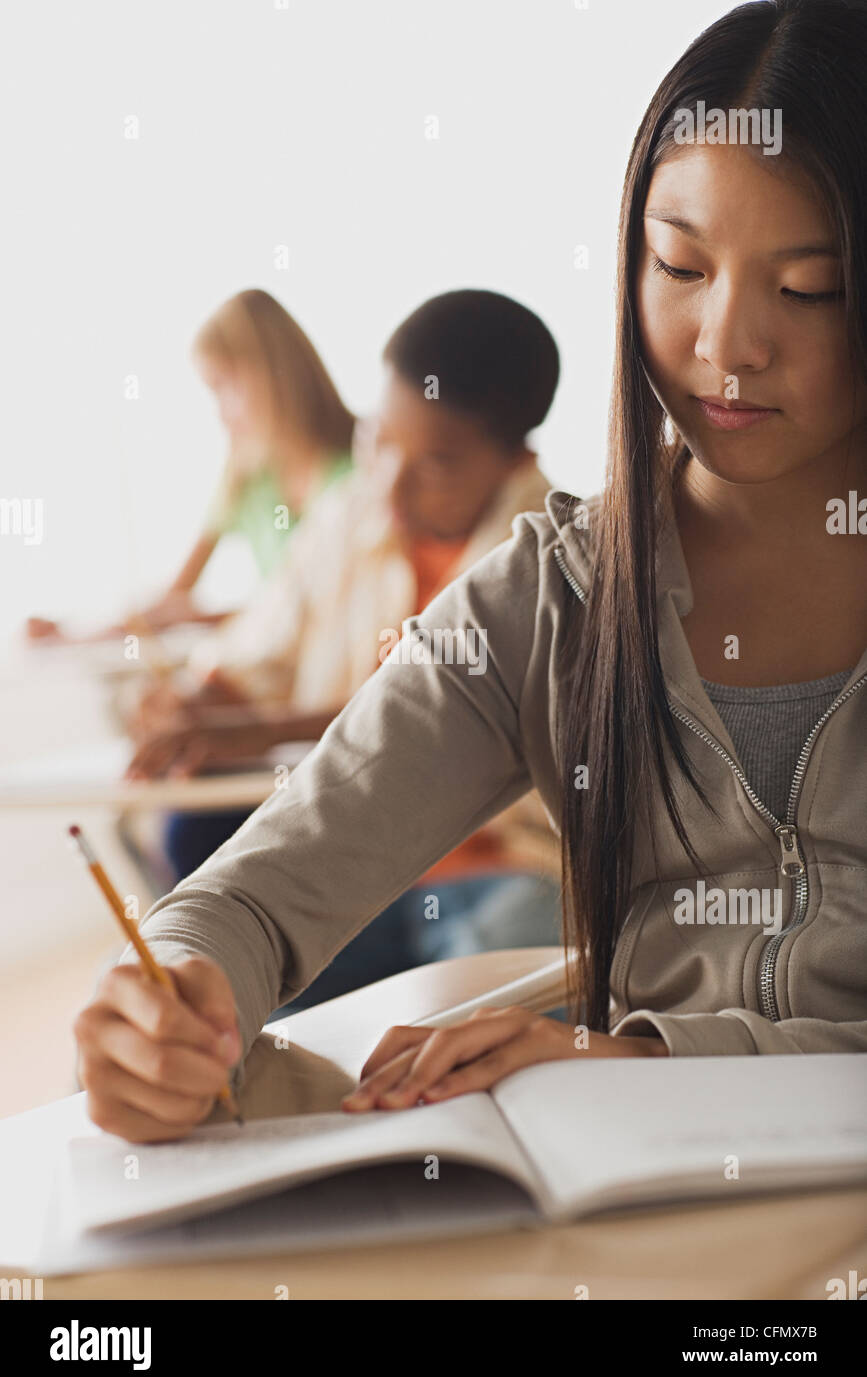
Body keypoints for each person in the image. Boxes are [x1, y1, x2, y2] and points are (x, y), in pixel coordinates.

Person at [75, 0, 867, 1145]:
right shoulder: (554, 593)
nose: (725, 342)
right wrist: (177, 991)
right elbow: (266, 882)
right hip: (655, 1234)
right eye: (679, 263)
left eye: (808, 287)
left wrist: (642, 1058)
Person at [125, 289, 565, 1003]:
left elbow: (432, 715)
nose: (391, 482)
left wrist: (258, 726)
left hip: (496, 872)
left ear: (515, 458)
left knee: (487, 991)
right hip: (353, 871)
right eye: (382, 439)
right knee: (208, 964)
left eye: (439, 460)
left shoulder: (551, 566)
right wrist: (197, 699)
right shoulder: (351, 512)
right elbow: (257, 652)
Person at [26, 288, 354, 640]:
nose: (221, 413)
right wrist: (79, 633)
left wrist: (204, 619)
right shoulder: (247, 475)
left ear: (273, 374)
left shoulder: (359, 474)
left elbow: (326, 617)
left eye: (223, 385)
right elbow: (175, 599)